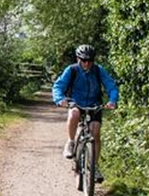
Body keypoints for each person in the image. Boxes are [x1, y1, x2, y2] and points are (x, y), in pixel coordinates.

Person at [51, 44, 119, 182]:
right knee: (74, 113)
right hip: (76, 101)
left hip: (94, 104)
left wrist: (112, 100)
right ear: (78, 59)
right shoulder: (72, 70)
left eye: (90, 60)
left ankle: (94, 166)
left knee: (95, 132)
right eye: (83, 60)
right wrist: (60, 99)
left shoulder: (99, 70)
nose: (87, 63)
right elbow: (58, 86)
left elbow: (111, 86)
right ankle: (70, 142)